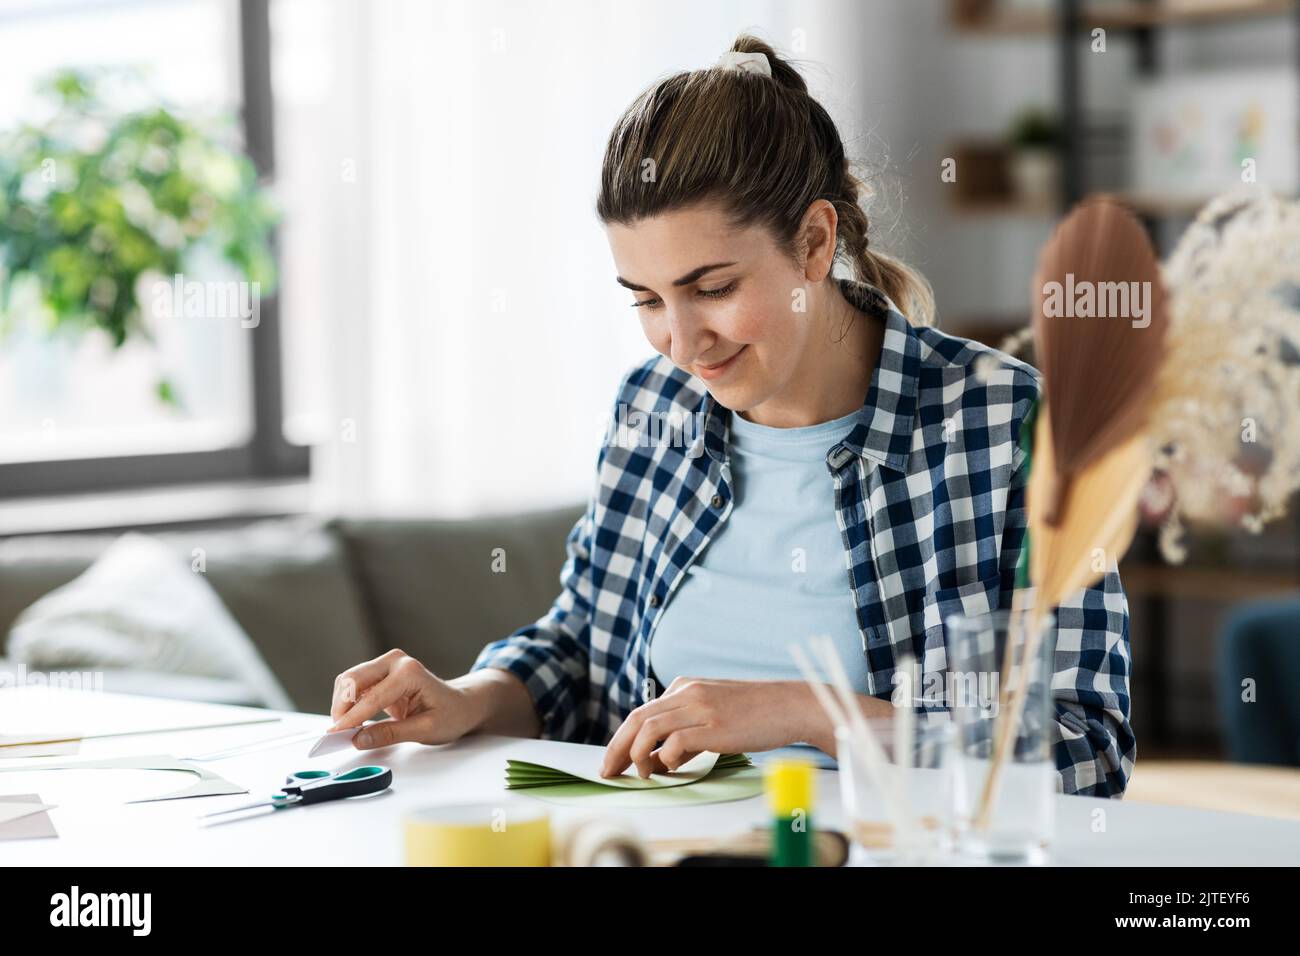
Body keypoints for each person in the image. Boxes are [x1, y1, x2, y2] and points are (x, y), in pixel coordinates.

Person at [327, 35, 1135, 797]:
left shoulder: (1003, 422)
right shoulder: (653, 407)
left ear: (815, 243)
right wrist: (465, 697)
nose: (681, 344)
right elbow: (579, 652)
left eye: (712, 288)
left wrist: (810, 713)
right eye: (646, 300)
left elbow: (1085, 750)